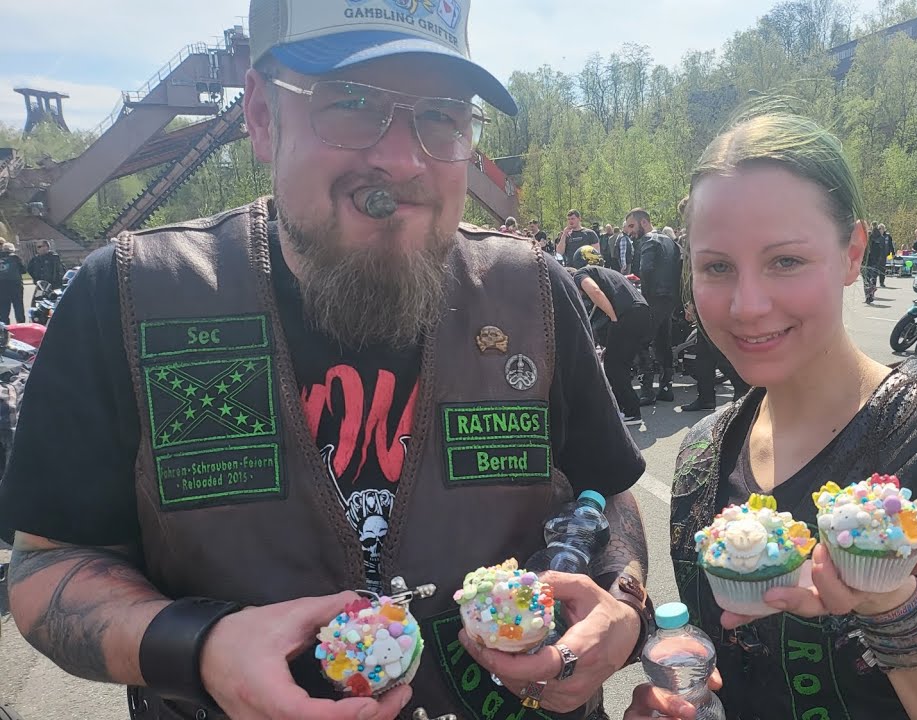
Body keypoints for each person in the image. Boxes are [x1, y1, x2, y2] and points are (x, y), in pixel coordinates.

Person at [0, 3, 654, 719]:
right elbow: (49, 562)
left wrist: (621, 602)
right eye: (351, 102)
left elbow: (605, 488)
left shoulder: (531, 292)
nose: (402, 160)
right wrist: (201, 649)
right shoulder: (132, 297)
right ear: (260, 116)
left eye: (441, 116)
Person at [624, 110, 917, 720]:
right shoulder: (700, 455)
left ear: (853, 252)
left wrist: (893, 610)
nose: (748, 305)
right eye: (717, 267)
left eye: (785, 261)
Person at [573, 248, 650, 425]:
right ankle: (626, 409)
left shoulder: (580, 274)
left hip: (625, 315)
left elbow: (595, 291)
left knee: (614, 367)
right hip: (642, 312)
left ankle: (630, 411)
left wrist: (614, 318)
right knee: (619, 362)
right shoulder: (607, 272)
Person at [627, 208, 681, 406]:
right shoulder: (671, 241)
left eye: (632, 225)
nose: (630, 231)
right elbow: (680, 267)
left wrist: (643, 298)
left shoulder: (648, 240)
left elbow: (645, 269)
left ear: (643, 222)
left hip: (654, 297)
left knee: (641, 341)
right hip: (670, 298)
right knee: (662, 342)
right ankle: (666, 388)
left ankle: (647, 390)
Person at [679, 303, 749, 413]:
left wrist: (692, 305)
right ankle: (706, 398)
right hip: (706, 311)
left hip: (716, 309)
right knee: (703, 359)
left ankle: (743, 391)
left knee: (720, 355)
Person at [0, 243, 25, 324]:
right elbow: (23, 270)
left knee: (4, 308)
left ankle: (4, 327)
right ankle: (21, 324)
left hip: (2, 286)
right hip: (15, 285)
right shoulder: (15, 258)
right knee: (18, 307)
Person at [864, 225, 888, 303]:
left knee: (866, 279)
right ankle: (871, 293)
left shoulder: (867, 241)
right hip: (876, 262)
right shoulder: (880, 240)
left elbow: (864, 252)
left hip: (868, 262)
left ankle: (868, 295)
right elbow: (883, 251)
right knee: (873, 278)